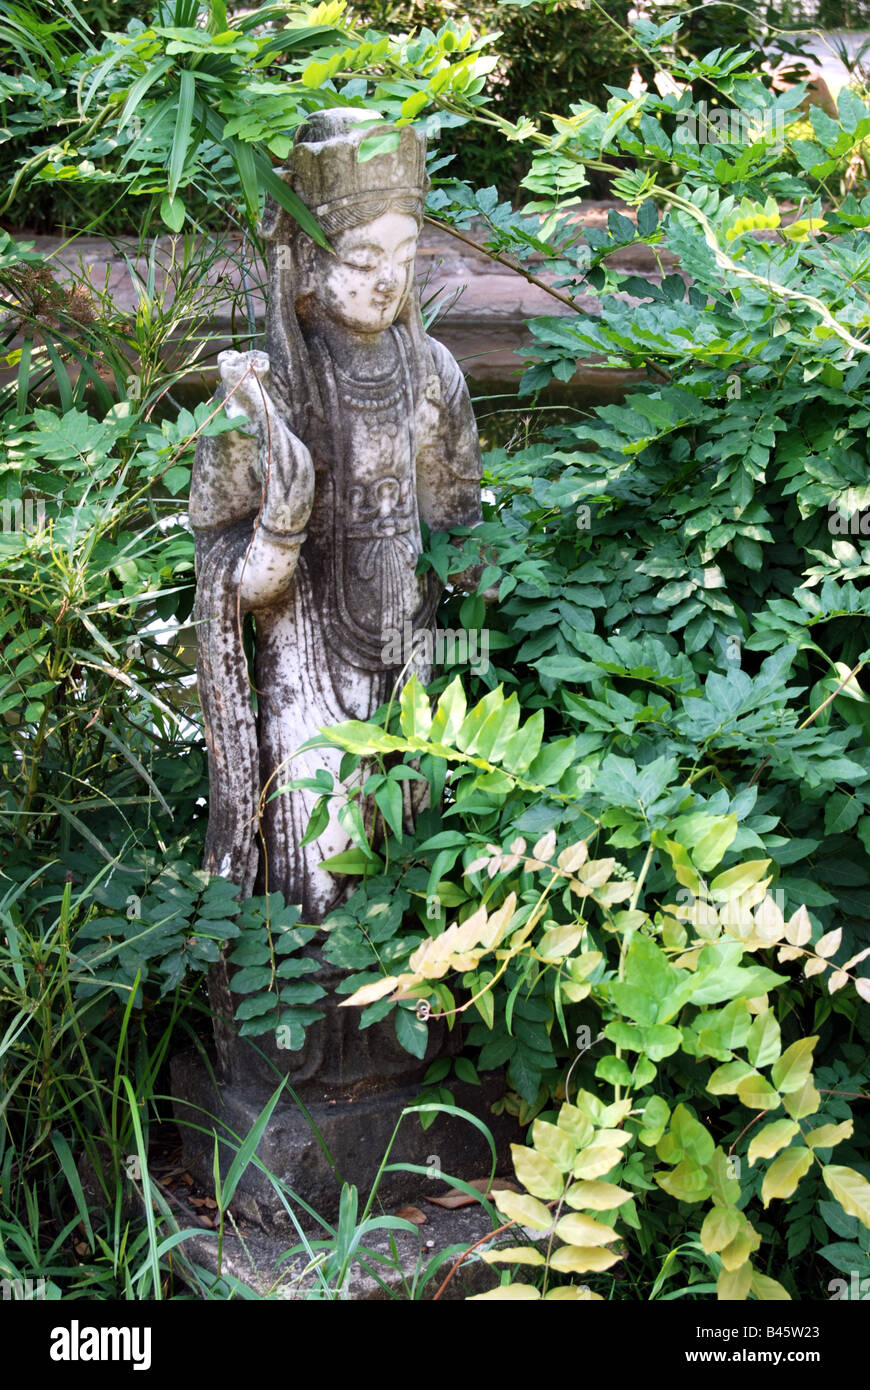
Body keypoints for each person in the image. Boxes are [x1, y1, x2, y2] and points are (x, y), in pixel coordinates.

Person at [190, 109, 483, 921]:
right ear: (309, 265)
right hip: (307, 651)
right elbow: (218, 546)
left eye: (405, 256)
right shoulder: (264, 393)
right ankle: (306, 1028)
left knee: (408, 827)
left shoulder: (433, 374)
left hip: (408, 641)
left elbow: (460, 522)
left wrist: (471, 571)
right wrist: (273, 544)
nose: (387, 279)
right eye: (362, 258)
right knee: (318, 852)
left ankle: (412, 998)